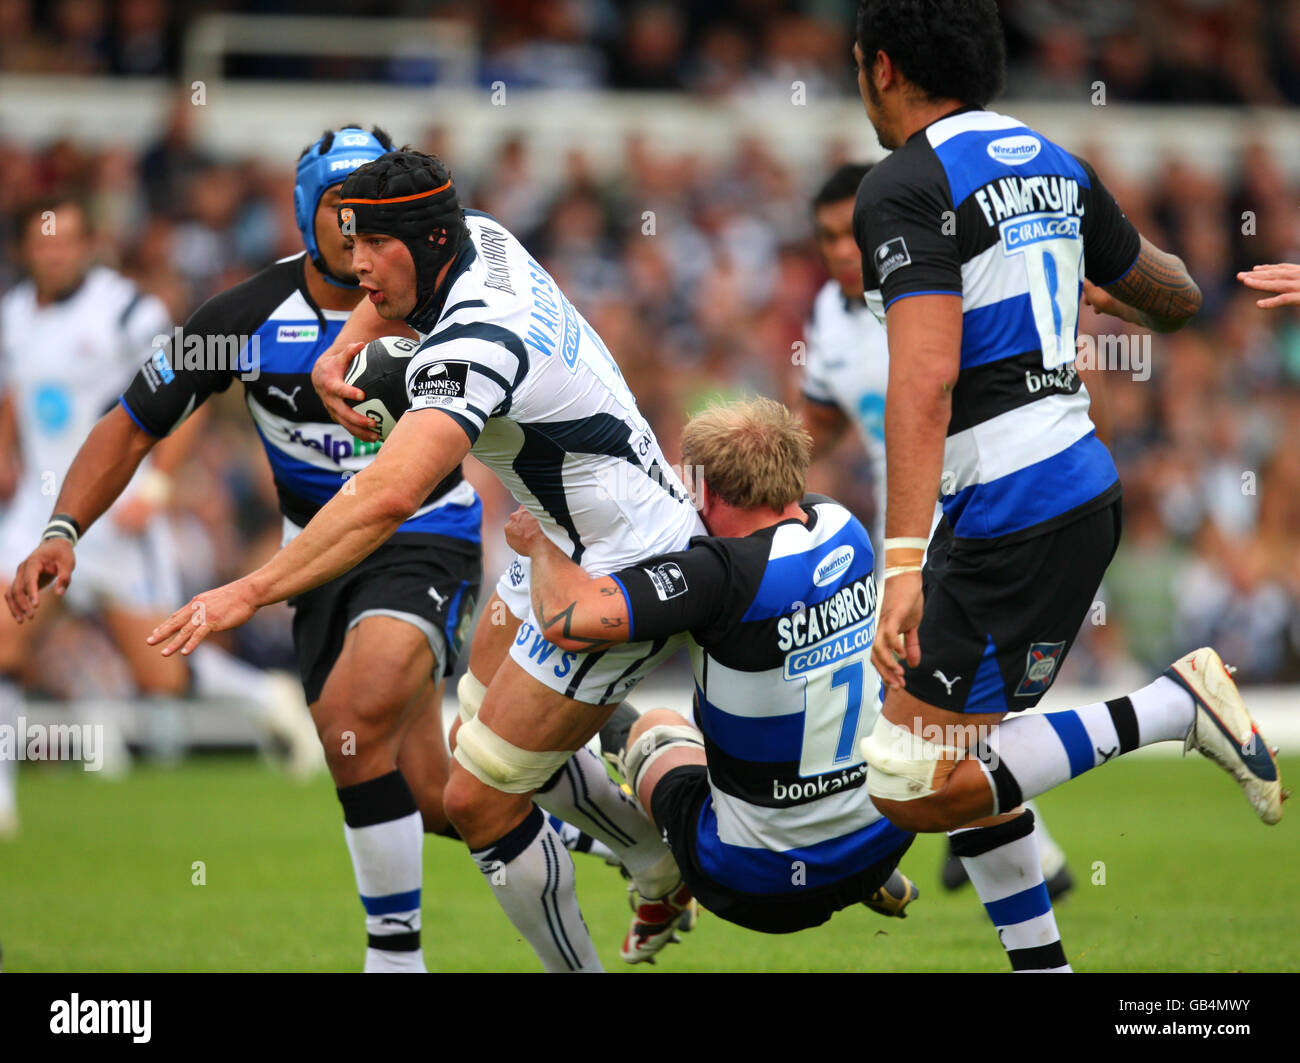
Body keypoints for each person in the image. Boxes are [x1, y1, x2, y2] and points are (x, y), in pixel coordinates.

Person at [147, 148, 704, 972]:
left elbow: (385, 497)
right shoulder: (478, 234)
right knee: (481, 716)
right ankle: (657, 858)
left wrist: (249, 591)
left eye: (371, 245)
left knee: (476, 797)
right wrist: (341, 353)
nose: (355, 266)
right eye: (349, 240)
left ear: (421, 240)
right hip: (560, 529)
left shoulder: (472, 343)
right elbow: (388, 301)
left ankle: (709, 862)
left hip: (622, 560)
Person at [848, 0, 1283, 971]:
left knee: (910, 785)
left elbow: (923, 379)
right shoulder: (1051, 161)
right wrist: (1098, 282)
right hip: (1068, 483)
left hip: (1010, 501)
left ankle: (1174, 705)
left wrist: (902, 561)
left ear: (880, 68)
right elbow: (1171, 296)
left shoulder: (904, 184)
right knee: (970, 760)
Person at [5, 128, 484, 973]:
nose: (357, 233)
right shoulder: (240, 321)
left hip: (425, 535)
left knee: (352, 711)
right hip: (318, 559)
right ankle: (593, 821)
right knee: (444, 800)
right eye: (344, 211)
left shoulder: (447, 304)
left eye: (375, 219)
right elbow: (129, 425)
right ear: (308, 212)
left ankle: (395, 961)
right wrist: (61, 529)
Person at [504, 397, 932, 946]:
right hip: (882, 838)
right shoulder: (843, 525)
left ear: (702, 487)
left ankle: (663, 877)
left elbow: (569, 620)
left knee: (654, 728)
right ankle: (859, 875)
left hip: (757, 887)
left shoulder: (718, 577)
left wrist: (537, 546)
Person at [0, 196, 320, 836]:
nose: (53, 251)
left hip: (120, 513)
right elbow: (14, 399)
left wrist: (160, 485)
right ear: (26, 248)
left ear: (90, 244)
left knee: (163, 675)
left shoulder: (128, 311)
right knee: (6, 641)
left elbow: (184, 395)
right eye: (43, 241)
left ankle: (266, 698)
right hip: (40, 511)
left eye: (65, 240)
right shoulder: (12, 314)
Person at [797, 163, 1074, 899]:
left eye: (848, 234)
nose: (838, 251)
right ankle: (1013, 844)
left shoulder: (936, 284)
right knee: (928, 710)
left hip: (979, 518)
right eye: (824, 237)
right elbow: (819, 423)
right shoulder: (828, 316)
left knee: (899, 708)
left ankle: (870, 859)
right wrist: (760, 475)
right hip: (904, 544)